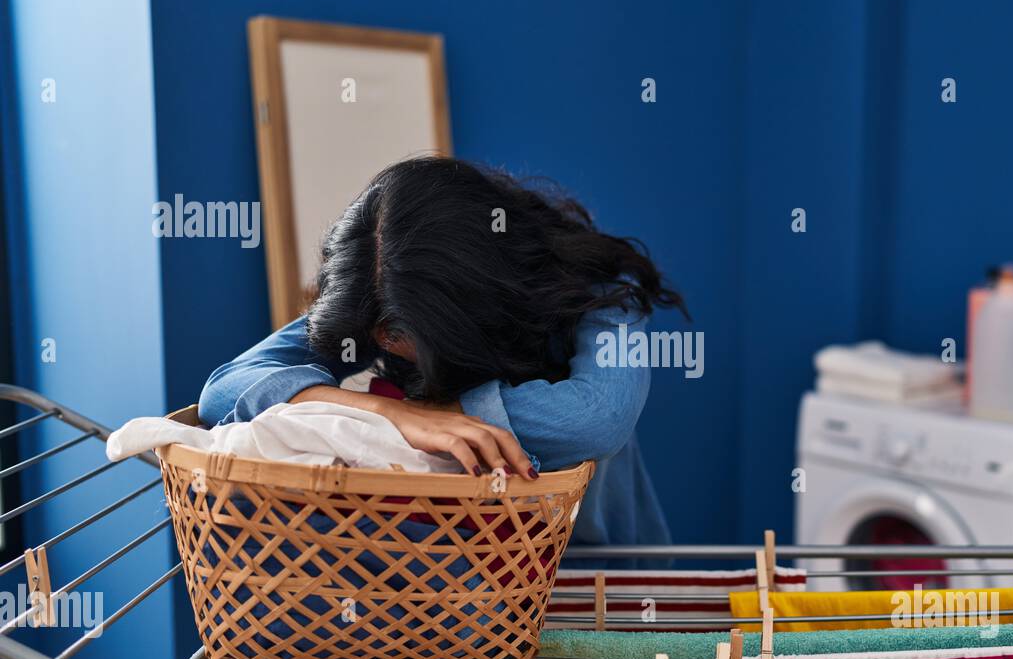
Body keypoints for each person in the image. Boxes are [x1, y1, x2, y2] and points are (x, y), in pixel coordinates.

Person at [198, 156, 686, 545]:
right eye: (383, 335)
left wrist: (450, 413)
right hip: (458, 586)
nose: (388, 345)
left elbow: (597, 417)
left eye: (406, 335)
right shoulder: (371, 296)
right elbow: (221, 392)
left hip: (601, 570)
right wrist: (394, 416)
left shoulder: (603, 294)